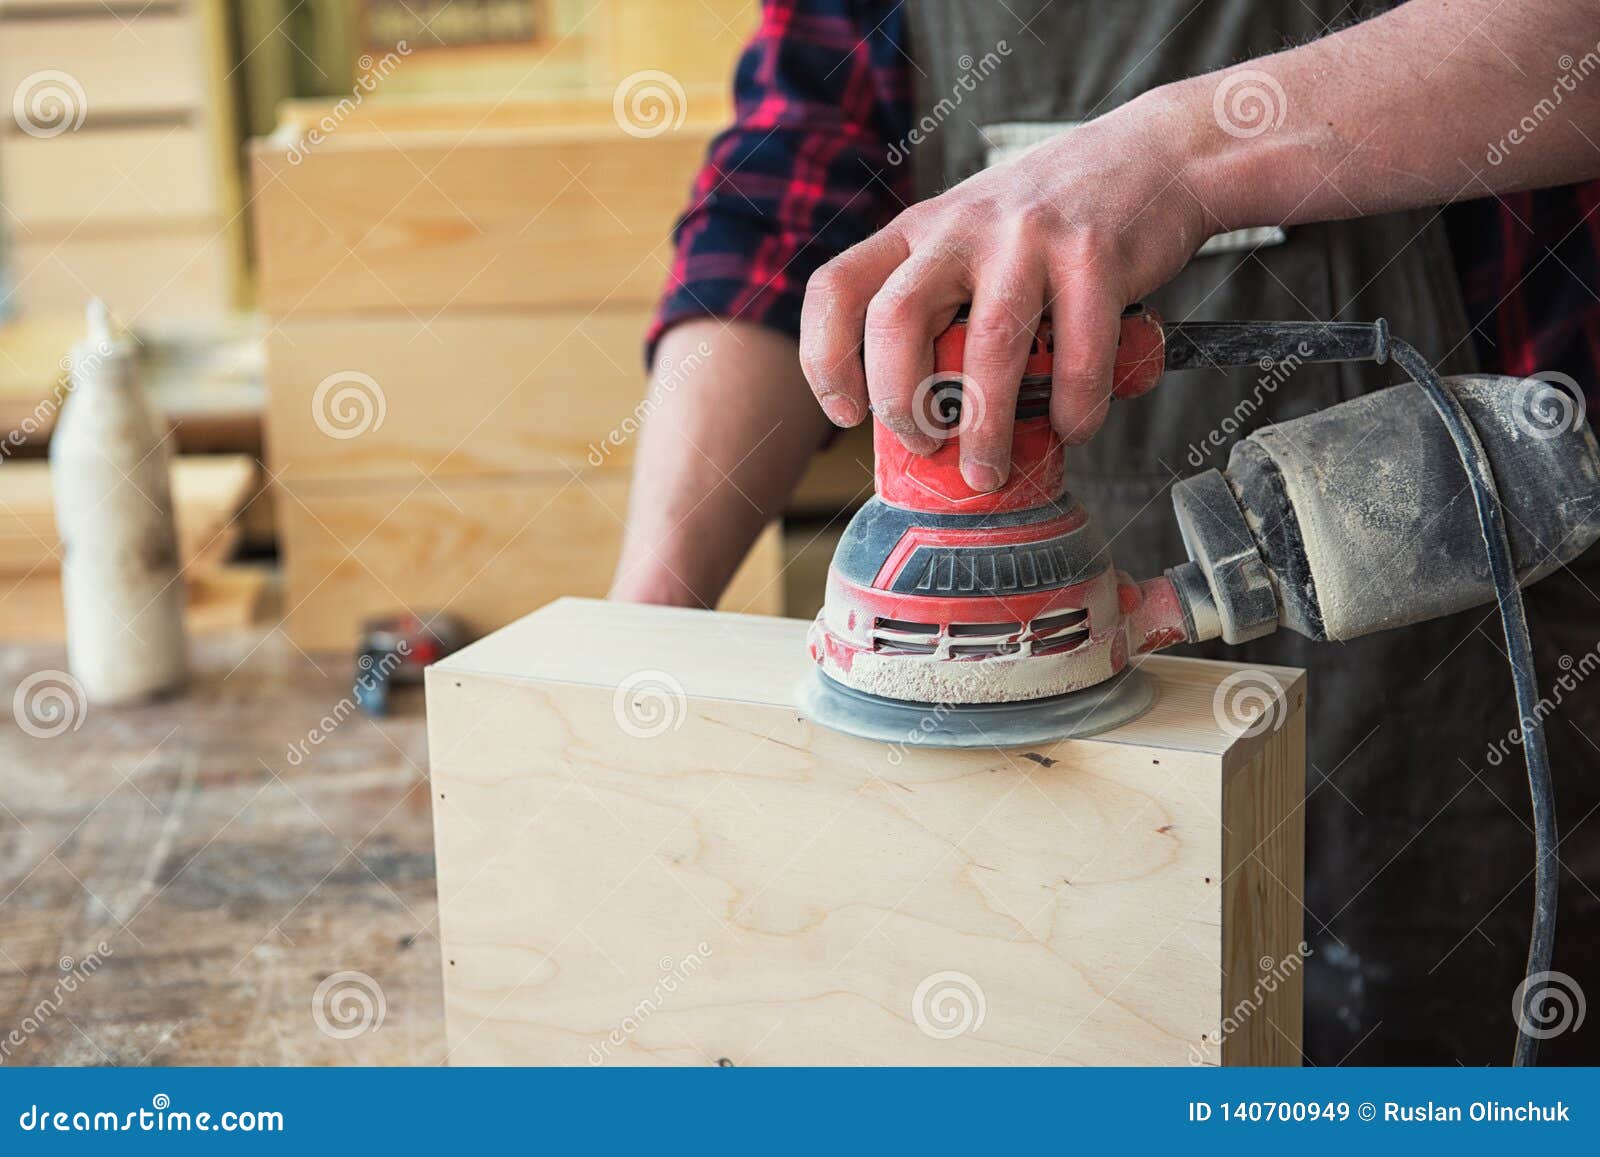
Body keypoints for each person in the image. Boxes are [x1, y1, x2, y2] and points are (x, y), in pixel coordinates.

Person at [610, 0, 1600, 1064]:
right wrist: (643, 629)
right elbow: (774, 222)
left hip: (1468, 718)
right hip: (1067, 833)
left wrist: (1177, 153)